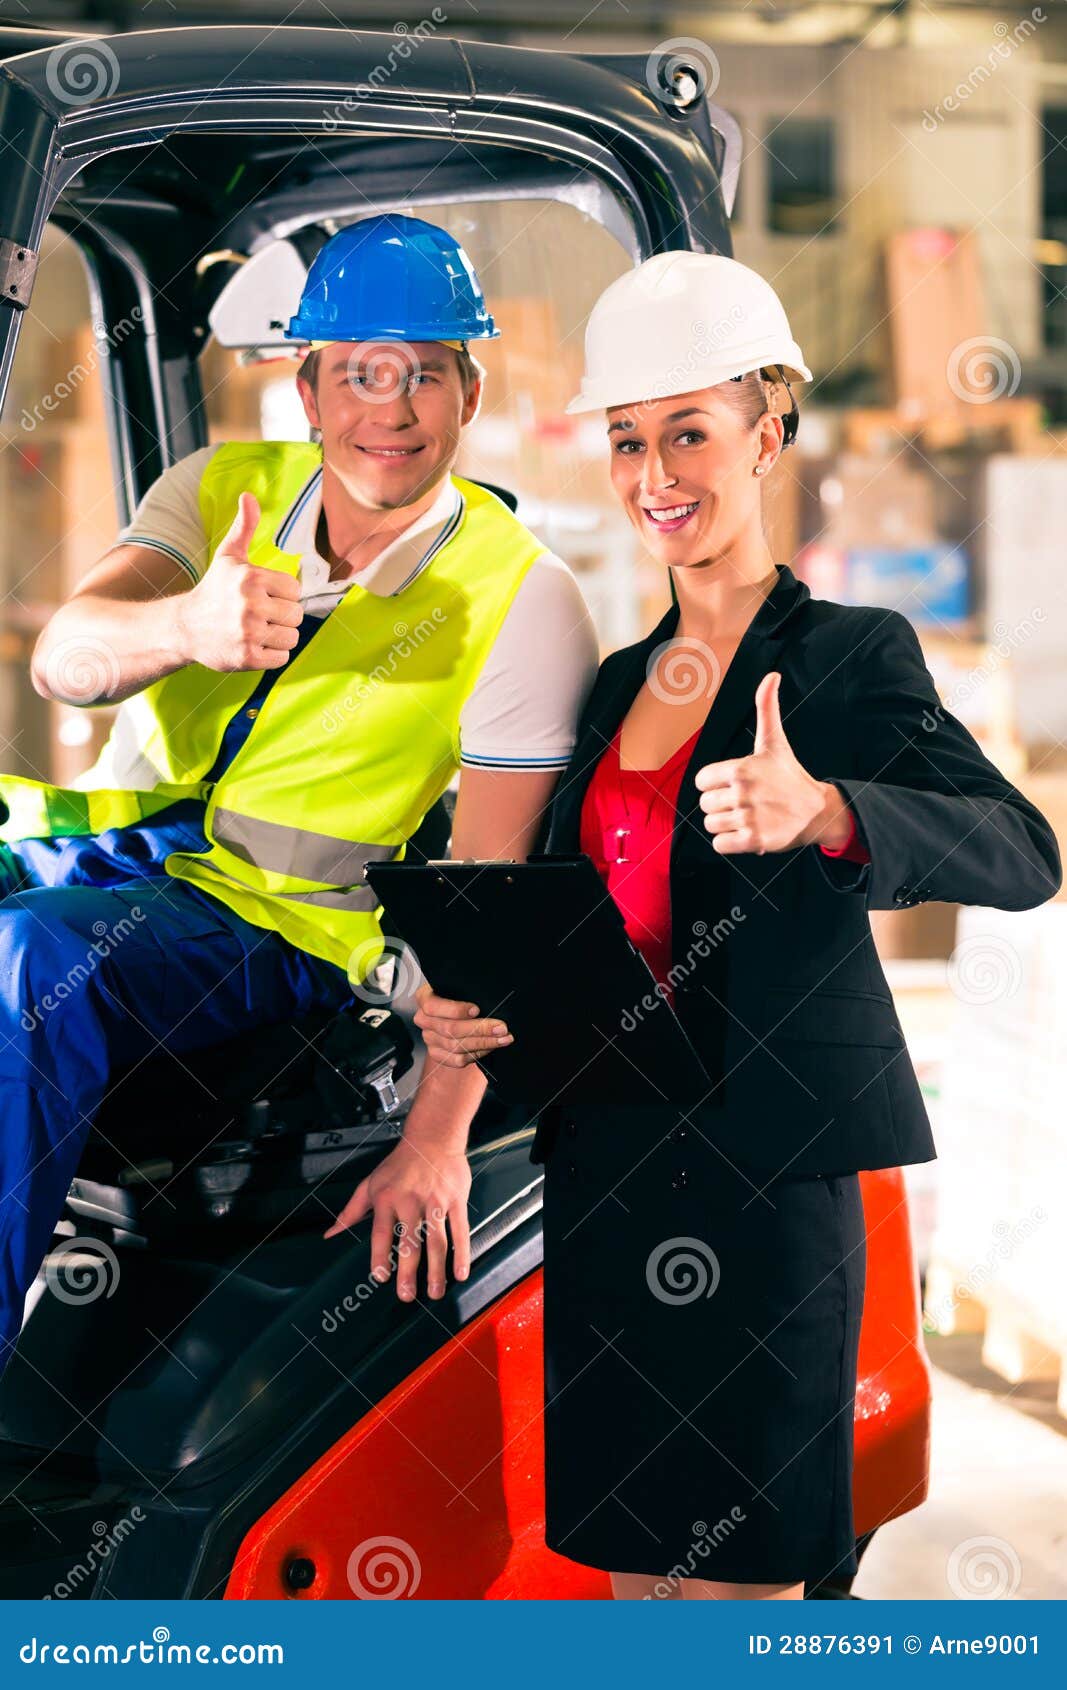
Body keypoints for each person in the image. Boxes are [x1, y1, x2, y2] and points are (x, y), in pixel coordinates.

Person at [408, 251, 1063, 1600]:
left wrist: (826, 808)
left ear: (765, 433)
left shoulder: (842, 656)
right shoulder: (606, 684)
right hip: (608, 1174)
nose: (657, 471)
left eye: (689, 431)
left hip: (766, 1187)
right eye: (629, 438)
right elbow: (574, 918)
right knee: (630, 1572)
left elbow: (1019, 848)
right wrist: (470, 997)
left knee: (748, 1585)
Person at [0, 213, 598, 1377]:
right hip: (128, 865)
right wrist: (185, 625)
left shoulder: (521, 601)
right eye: (360, 372)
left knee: (23, 961)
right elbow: (61, 659)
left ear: (468, 394)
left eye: (426, 373)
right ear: (308, 387)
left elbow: (491, 905)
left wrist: (437, 1136)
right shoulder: (219, 489)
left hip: (275, 932)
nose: (394, 407)